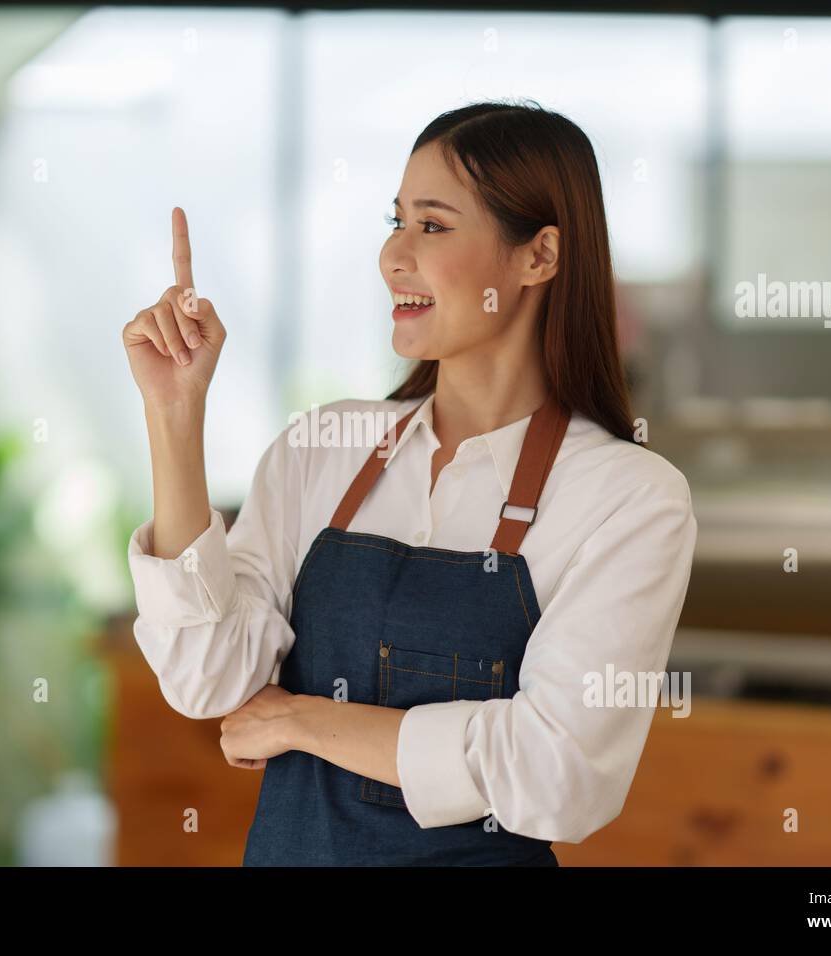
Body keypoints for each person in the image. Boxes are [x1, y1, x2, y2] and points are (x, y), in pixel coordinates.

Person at [121, 100, 698, 866]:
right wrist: (174, 415)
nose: (394, 255)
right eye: (394, 221)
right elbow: (208, 679)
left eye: (432, 225)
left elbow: (556, 775)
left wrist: (302, 721)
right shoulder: (321, 451)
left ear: (538, 256)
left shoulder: (627, 498)